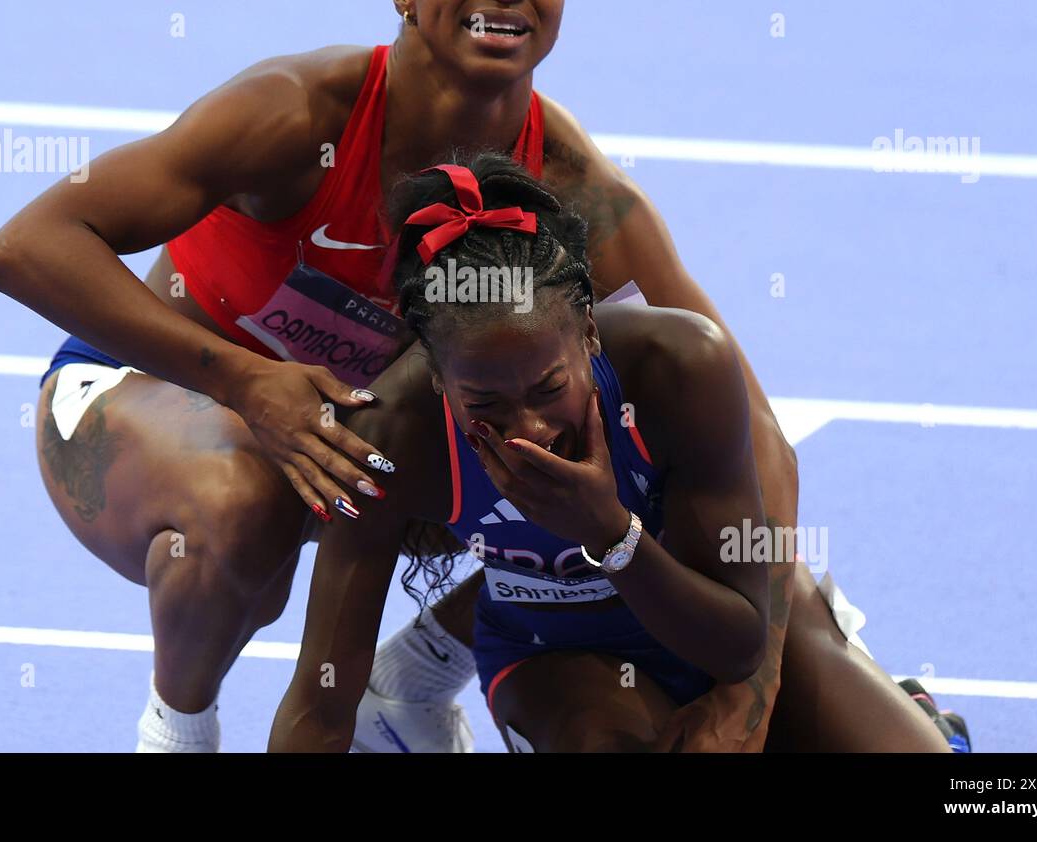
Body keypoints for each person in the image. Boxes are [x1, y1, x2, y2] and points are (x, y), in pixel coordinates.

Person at [0, 0, 905, 754]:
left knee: (581, 434)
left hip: (369, 439)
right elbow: (26, 248)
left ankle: (419, 669)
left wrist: (754, 693)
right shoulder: (299, 116)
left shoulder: (576, 190)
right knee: (251, 500)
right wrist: (251, 384)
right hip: (154, 396)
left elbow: (755, 435)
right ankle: (175, 731)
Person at [271, 154, 955, 752]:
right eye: (484, 404)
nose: (528, 430)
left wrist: (613, 534)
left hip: (717, 617)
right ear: (437, 375)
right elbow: (321, 699)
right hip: (558, 658)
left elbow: (740, 643)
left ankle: (918, 719)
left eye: (548, 387)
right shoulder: (391, 438)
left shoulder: (679, 367)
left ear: (589, 334)